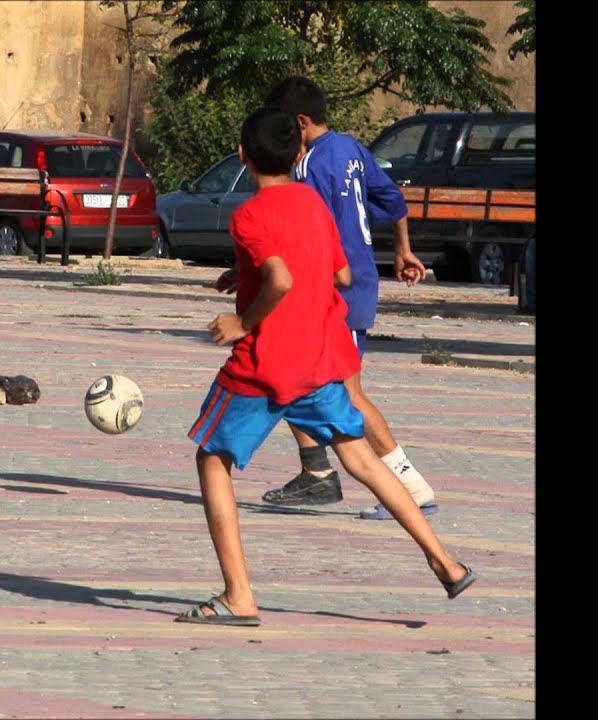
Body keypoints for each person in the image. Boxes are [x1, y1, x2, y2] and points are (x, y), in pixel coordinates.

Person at [177, 105, 475, 626]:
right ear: (299, 153)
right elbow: (337, 273)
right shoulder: (313, 201)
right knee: (360, 459)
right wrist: (243, 272)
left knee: (211, 460)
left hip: (265, 365)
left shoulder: (246, 214)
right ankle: (445, 562)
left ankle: (238, 595)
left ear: (243, 156)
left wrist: (244, 321)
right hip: (321, 357)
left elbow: (282, 280)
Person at [256, 76, 438, 520]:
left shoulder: (311, 165)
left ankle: (409, 483)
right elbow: (392, 199)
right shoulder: (352, 149)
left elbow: (304, 229)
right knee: (290, 378)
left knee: (348, 393)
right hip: (355, 282)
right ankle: (316, 473)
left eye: (284, 128)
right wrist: (402, 249)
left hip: (335, 290)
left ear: (300, 122)